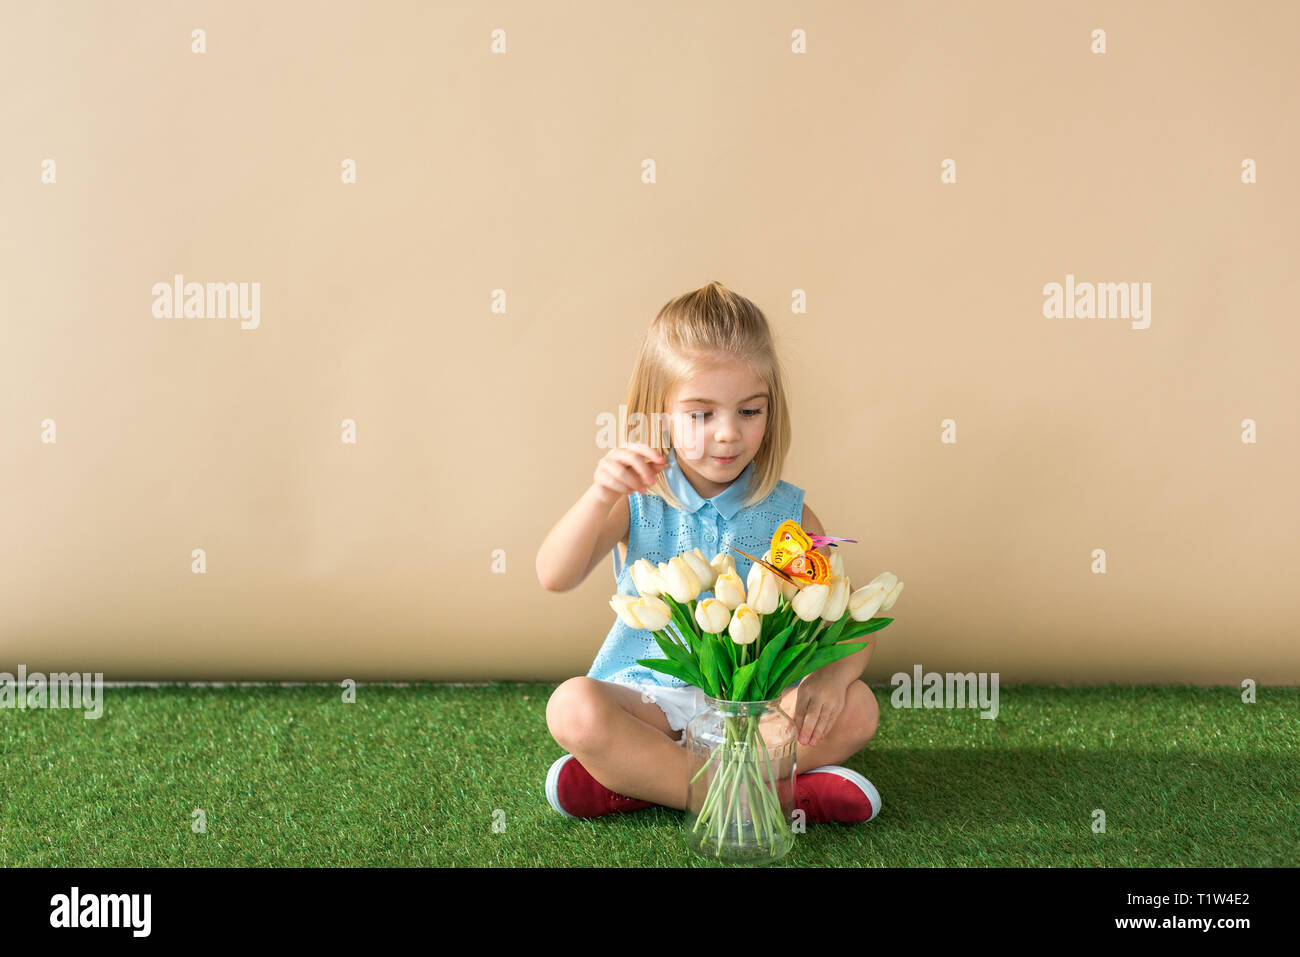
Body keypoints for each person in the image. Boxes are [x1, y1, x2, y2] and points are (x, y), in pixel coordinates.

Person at [535, 281, 881, 823]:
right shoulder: (639, 500)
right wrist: (599, 493)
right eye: (701, 414)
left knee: (859, 710)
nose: (727, 435)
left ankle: (640, 782)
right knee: (573, 709)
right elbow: (555, 574)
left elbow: (849, 620)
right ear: (660, 412)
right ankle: (771, 797)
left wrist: (831, 679)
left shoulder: (785, 517)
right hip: (652, 704)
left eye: (749, 412)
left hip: (756, 711)